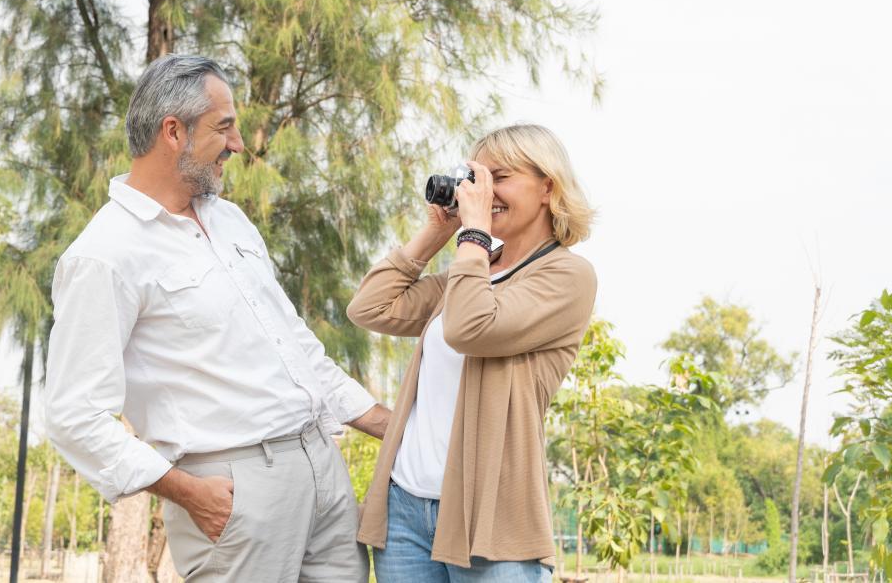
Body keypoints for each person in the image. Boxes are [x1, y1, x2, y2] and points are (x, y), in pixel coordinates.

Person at [45, 54, 389, 582]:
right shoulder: (104, 254)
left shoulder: (229, 220)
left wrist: (382, 422)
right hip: (232, 492)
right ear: (173, 132)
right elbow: (75, 416)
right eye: (224, 127)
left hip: (322, 468)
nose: (238, 144)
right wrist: (189, 492)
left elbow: (292, 344)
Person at [347, 124, 597, 581]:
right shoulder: (471, 271)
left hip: (490, 516)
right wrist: (436, 235)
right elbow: (370, 307)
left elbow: (469, 328)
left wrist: (475, 237)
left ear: (547, 186)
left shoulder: (567, 275)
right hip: (405, 509)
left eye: (498, 177)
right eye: (474, 178)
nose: (480, 191)